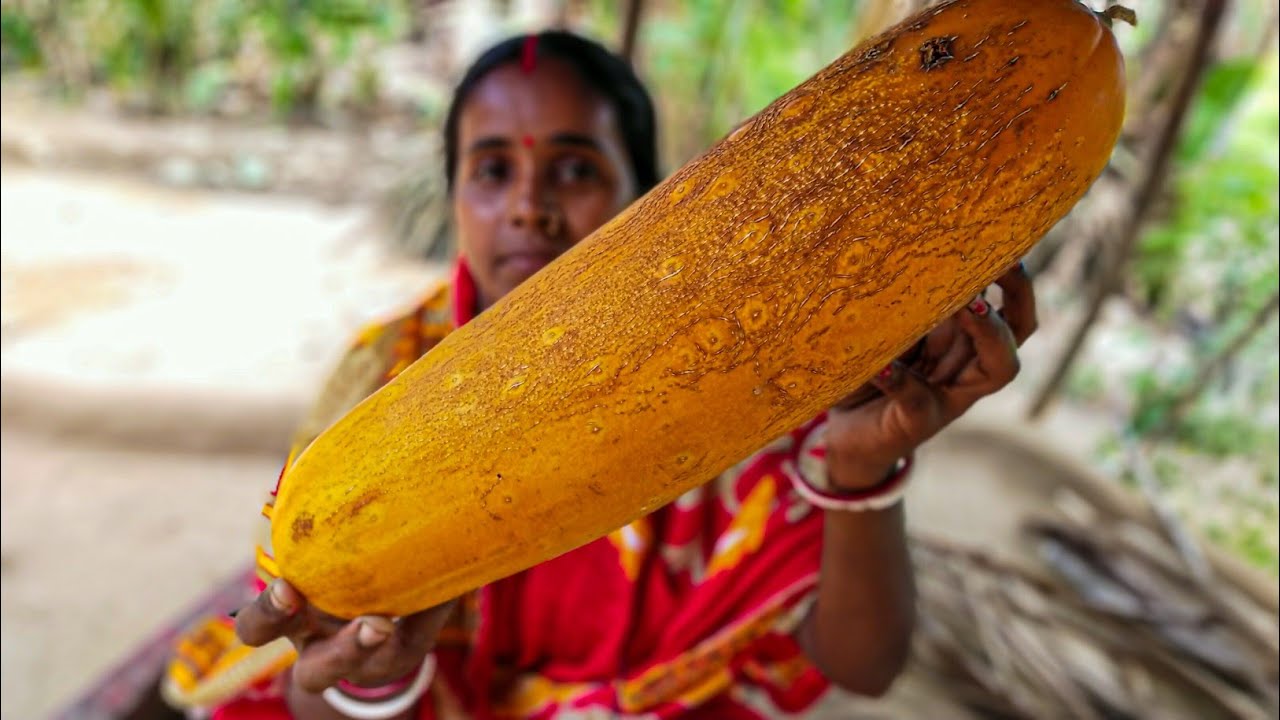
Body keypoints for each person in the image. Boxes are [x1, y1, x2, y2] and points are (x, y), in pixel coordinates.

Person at [167, 30, 1036, 720]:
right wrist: (367, 678)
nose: (529, 205)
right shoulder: (384, 381)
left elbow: (860, 665)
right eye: (492, 170)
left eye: (577, 169)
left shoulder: (758, 372)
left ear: (650, 201)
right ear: (454, 198)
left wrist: (860, 473)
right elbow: (311, 677)